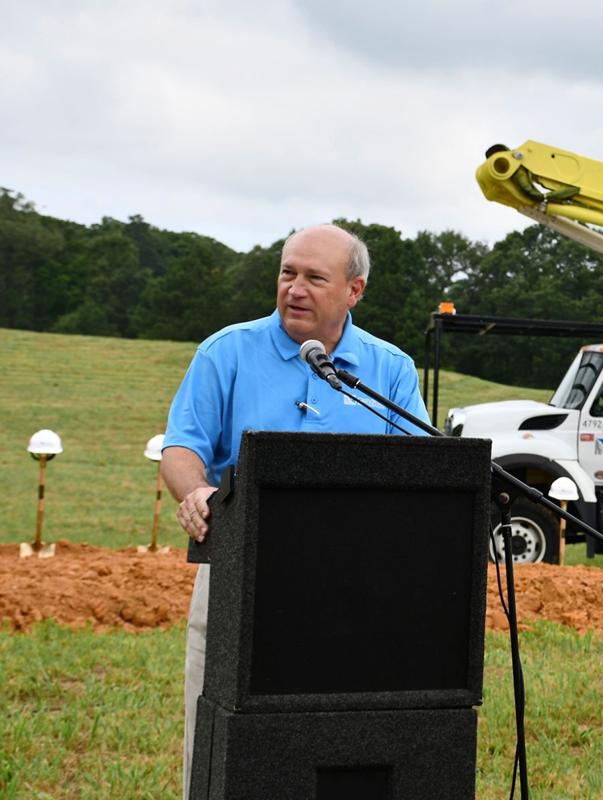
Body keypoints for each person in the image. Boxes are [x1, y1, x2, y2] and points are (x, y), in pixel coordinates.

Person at [161, 223, 429, 796]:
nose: (295, 289)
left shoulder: (391, 371)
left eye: (314, 277)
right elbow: (181, 447)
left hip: (358, 592)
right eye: (287, 273)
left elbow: (421, 471)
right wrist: (196, 492)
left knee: (330, 747)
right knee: (222, 751)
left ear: (353, 291)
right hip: (238, 580)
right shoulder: (226, 352)